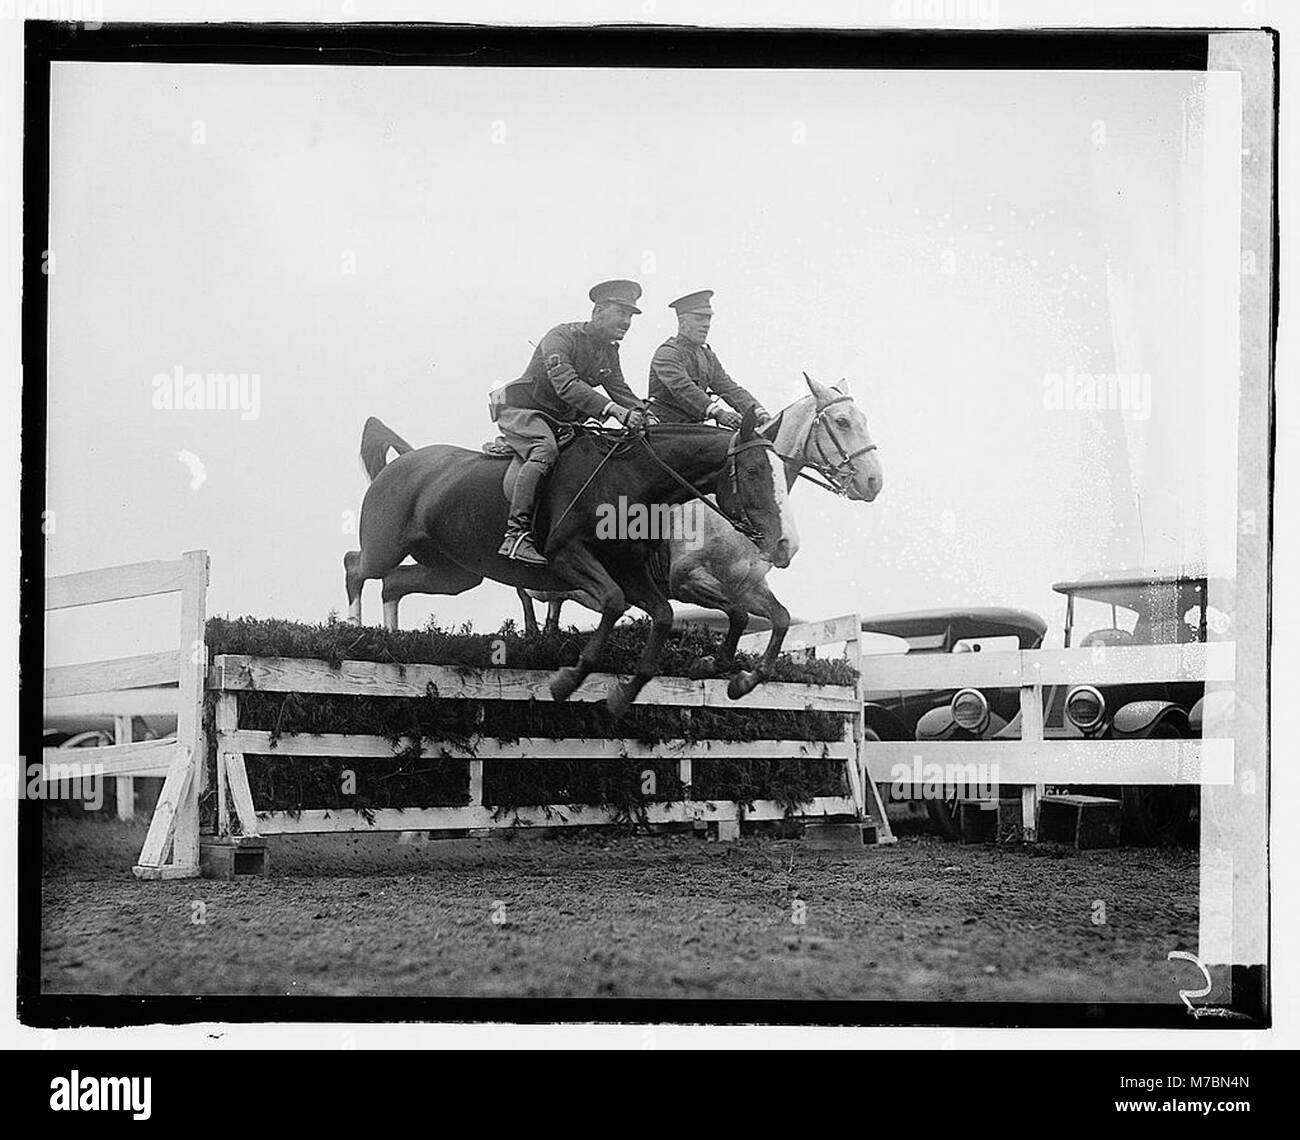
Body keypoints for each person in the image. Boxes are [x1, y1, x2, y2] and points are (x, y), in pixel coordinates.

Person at [494, 279, 651, 565]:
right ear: (599, 311)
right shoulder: (561, 336)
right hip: (524, 412)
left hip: (560, 421)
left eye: (631, 316)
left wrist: (646, 415)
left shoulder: (608, 351)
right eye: (622, 313)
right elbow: (566, 385)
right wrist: (615, 411)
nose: (628, 321)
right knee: (545, 450)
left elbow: (619, 388)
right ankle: (515, 535)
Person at [647, 290, 770, 429]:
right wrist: (718, 412)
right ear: (682, 322)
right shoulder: (668, 353)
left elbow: (730, 388)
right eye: (699, 319)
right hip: (664, 430)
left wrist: (758, 412)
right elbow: (683, 388)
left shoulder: (707, 356)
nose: (706, 325)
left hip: (693, 430)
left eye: (708, 319)